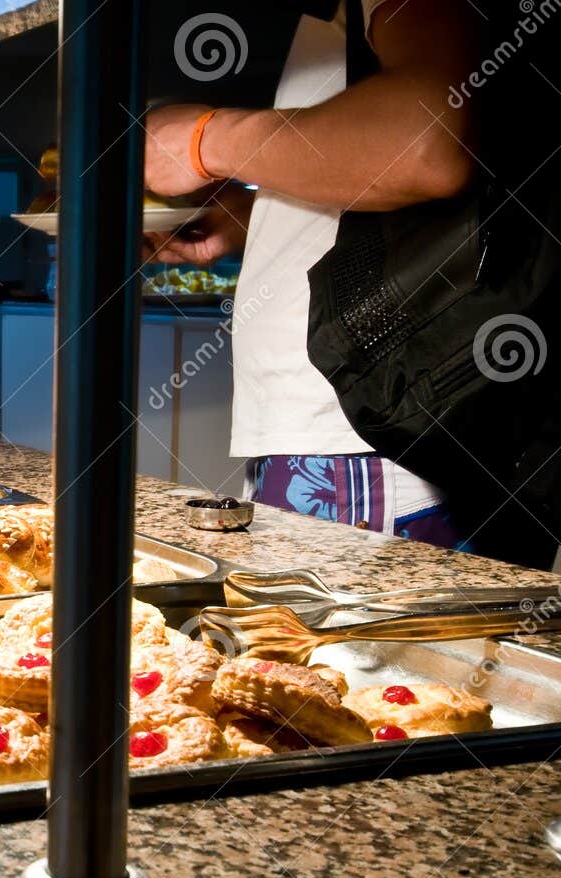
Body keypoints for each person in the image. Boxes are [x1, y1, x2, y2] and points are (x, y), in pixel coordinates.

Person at [143, 0, 558, 569]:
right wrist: (255, 218)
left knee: (343, 658)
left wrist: (204, 140)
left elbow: (426, 142)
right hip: (356, 443)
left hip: (369, 446)